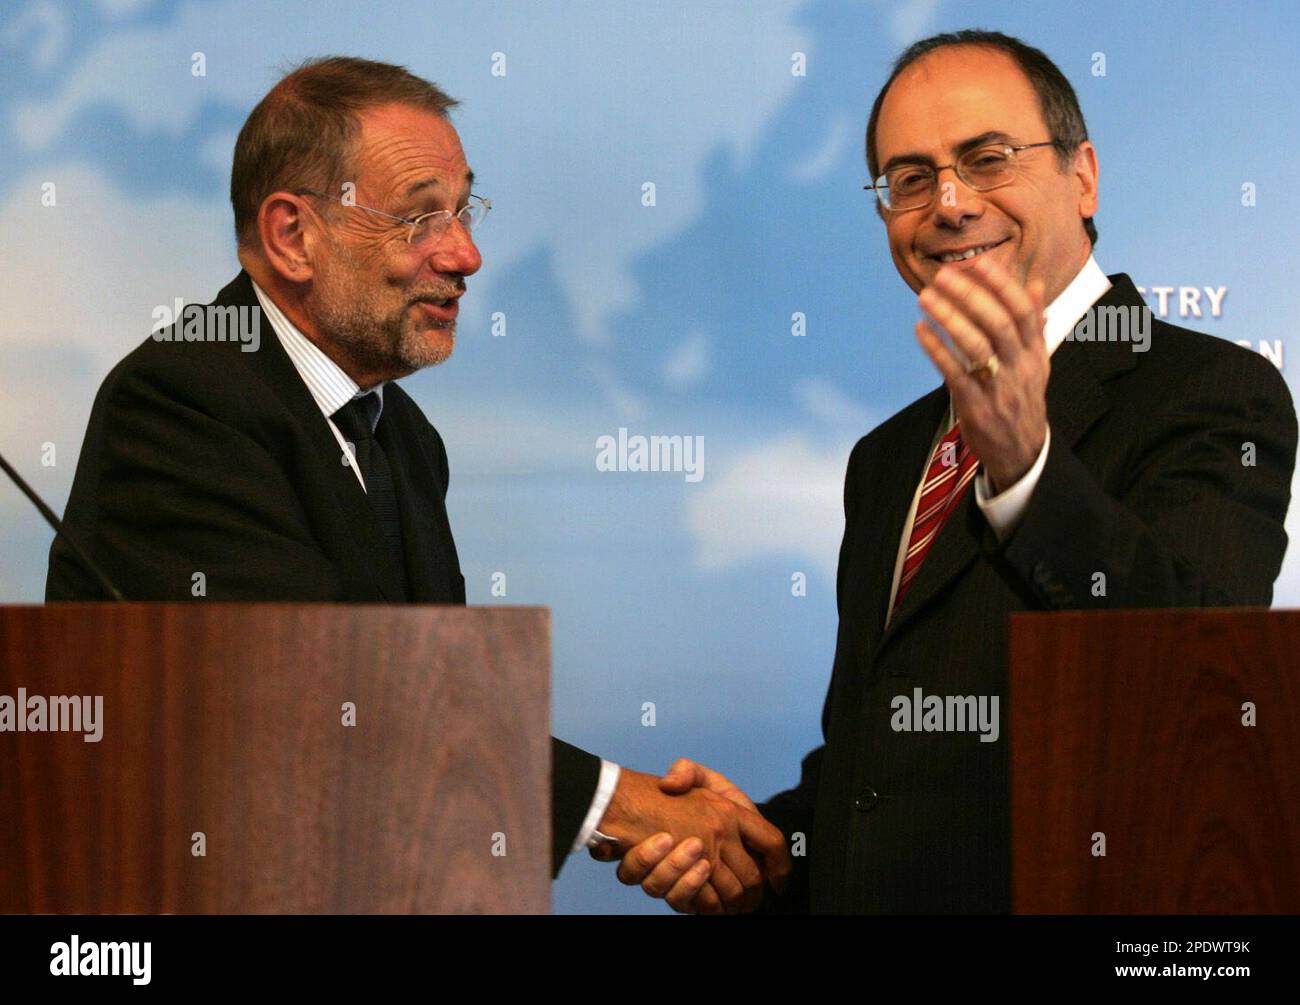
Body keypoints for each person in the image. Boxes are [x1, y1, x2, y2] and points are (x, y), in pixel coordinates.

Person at [44, 55, 789, 911]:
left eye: (464, 210)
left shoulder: (400, 431)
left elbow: (430, 702)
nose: (466, 254)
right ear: (293, 236)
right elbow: (316, 704)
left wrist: (631, 818)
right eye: (420, 218)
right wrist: (615, 804)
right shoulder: (180, 404)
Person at [615, 29, 1296, 913]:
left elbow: (1195, 682)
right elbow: (881, 766)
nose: (947, 202)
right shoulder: (889, 457)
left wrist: (1024, 473)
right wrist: (757, 853)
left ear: (1082, 175)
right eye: (908, 178)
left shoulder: (1211, 388)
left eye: (987, 158)